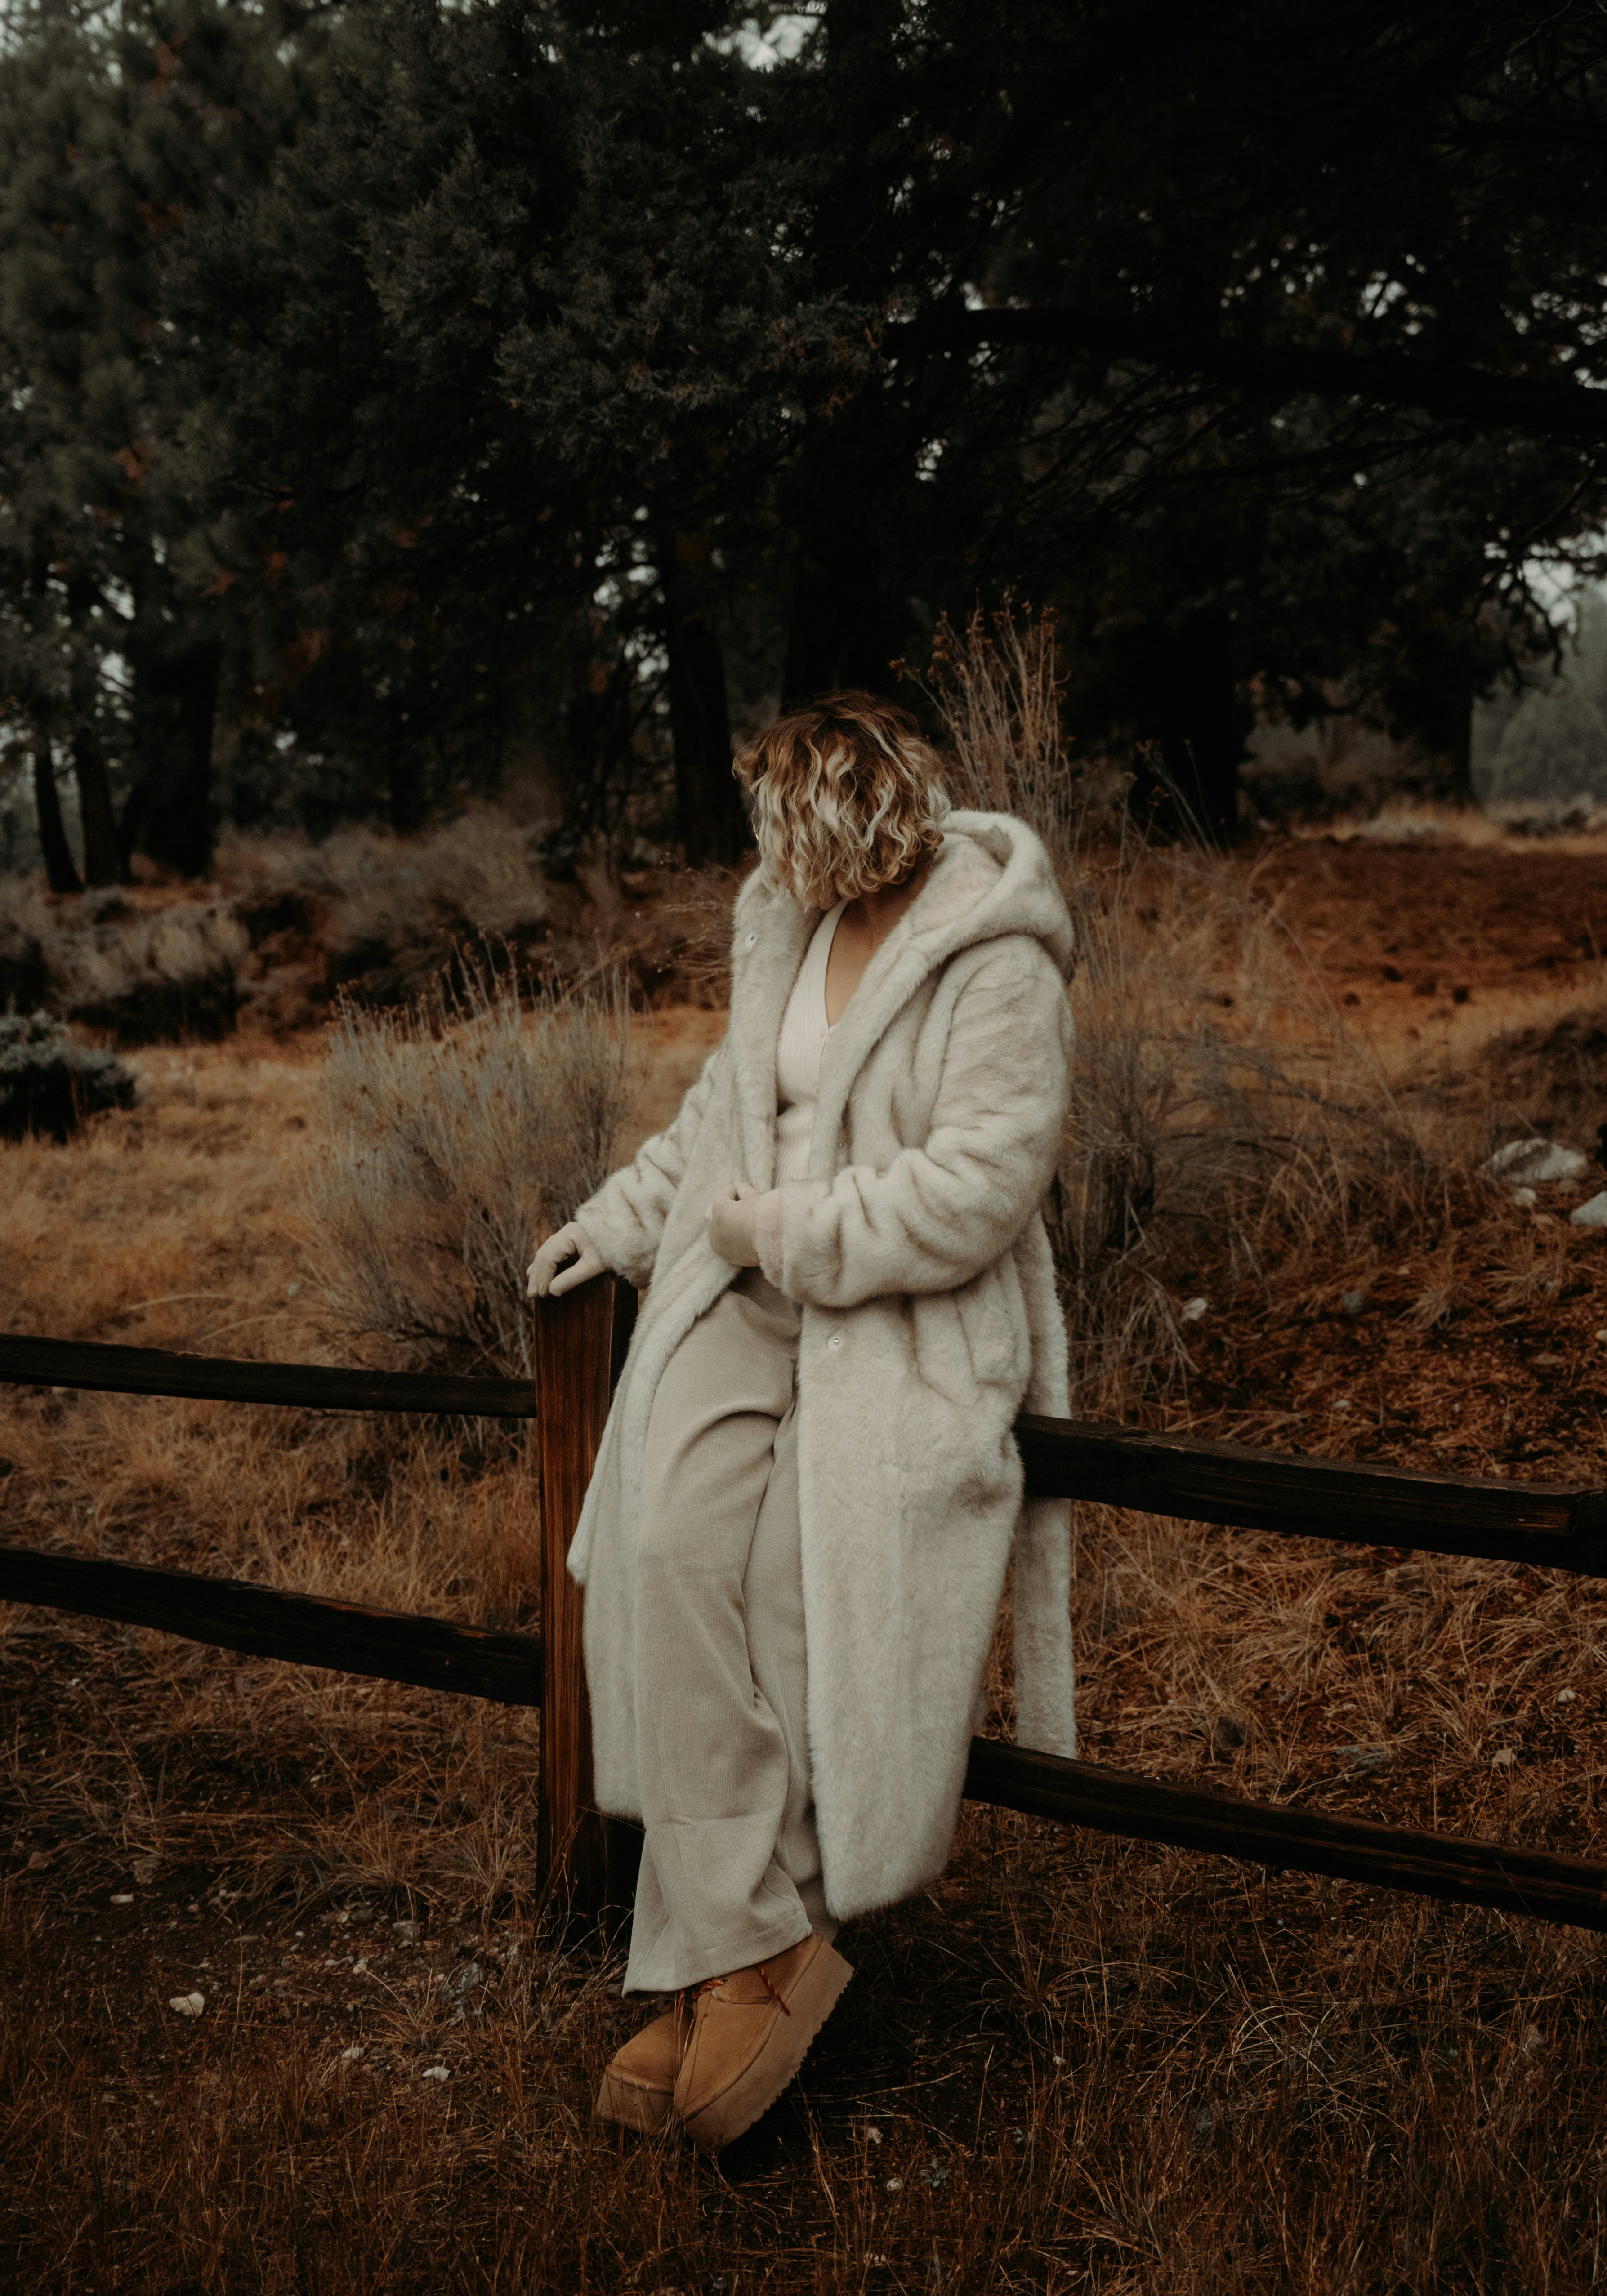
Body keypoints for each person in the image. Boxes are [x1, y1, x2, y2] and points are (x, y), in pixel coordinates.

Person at [527, 691, 1076, 2149]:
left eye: (796, 831)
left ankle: (742, 1956)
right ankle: (742, 1945)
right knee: (665, 1549)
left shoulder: (998, 954)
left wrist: (798, 1229)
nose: (776, 860)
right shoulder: (783, 914)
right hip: (745, 1277)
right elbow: (727, 1105)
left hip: (895, 1311)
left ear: (861, 817)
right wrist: (620, 1224)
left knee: (791, 1591)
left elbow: (983, 1181)